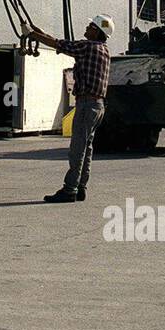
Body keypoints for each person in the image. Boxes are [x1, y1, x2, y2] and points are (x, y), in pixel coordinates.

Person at [29, 14, 114, 203]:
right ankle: (81, 187)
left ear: (97, 31)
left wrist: (33, 35)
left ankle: (69, 190)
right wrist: (37, 32)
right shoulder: (103, 49)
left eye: (91, 25)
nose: (87, 26)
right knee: (87, 147)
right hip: (98, 105)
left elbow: (58, 45)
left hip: (86, 105)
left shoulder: (87, 47)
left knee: (78, 148)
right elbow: (60, 43)